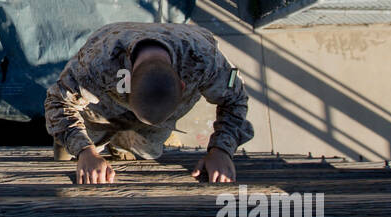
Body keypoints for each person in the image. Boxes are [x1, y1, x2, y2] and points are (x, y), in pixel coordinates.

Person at [45, 22, 253, 185]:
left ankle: (125, 148)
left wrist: (221, 150)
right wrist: (84, 151)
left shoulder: (205, 58)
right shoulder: (98, 61)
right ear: (124, 82)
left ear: (181, 85)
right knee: (66, 156)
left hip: (158, 123)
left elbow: (235, 98)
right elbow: (57, 101)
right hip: (99, 111)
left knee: (144, 150)